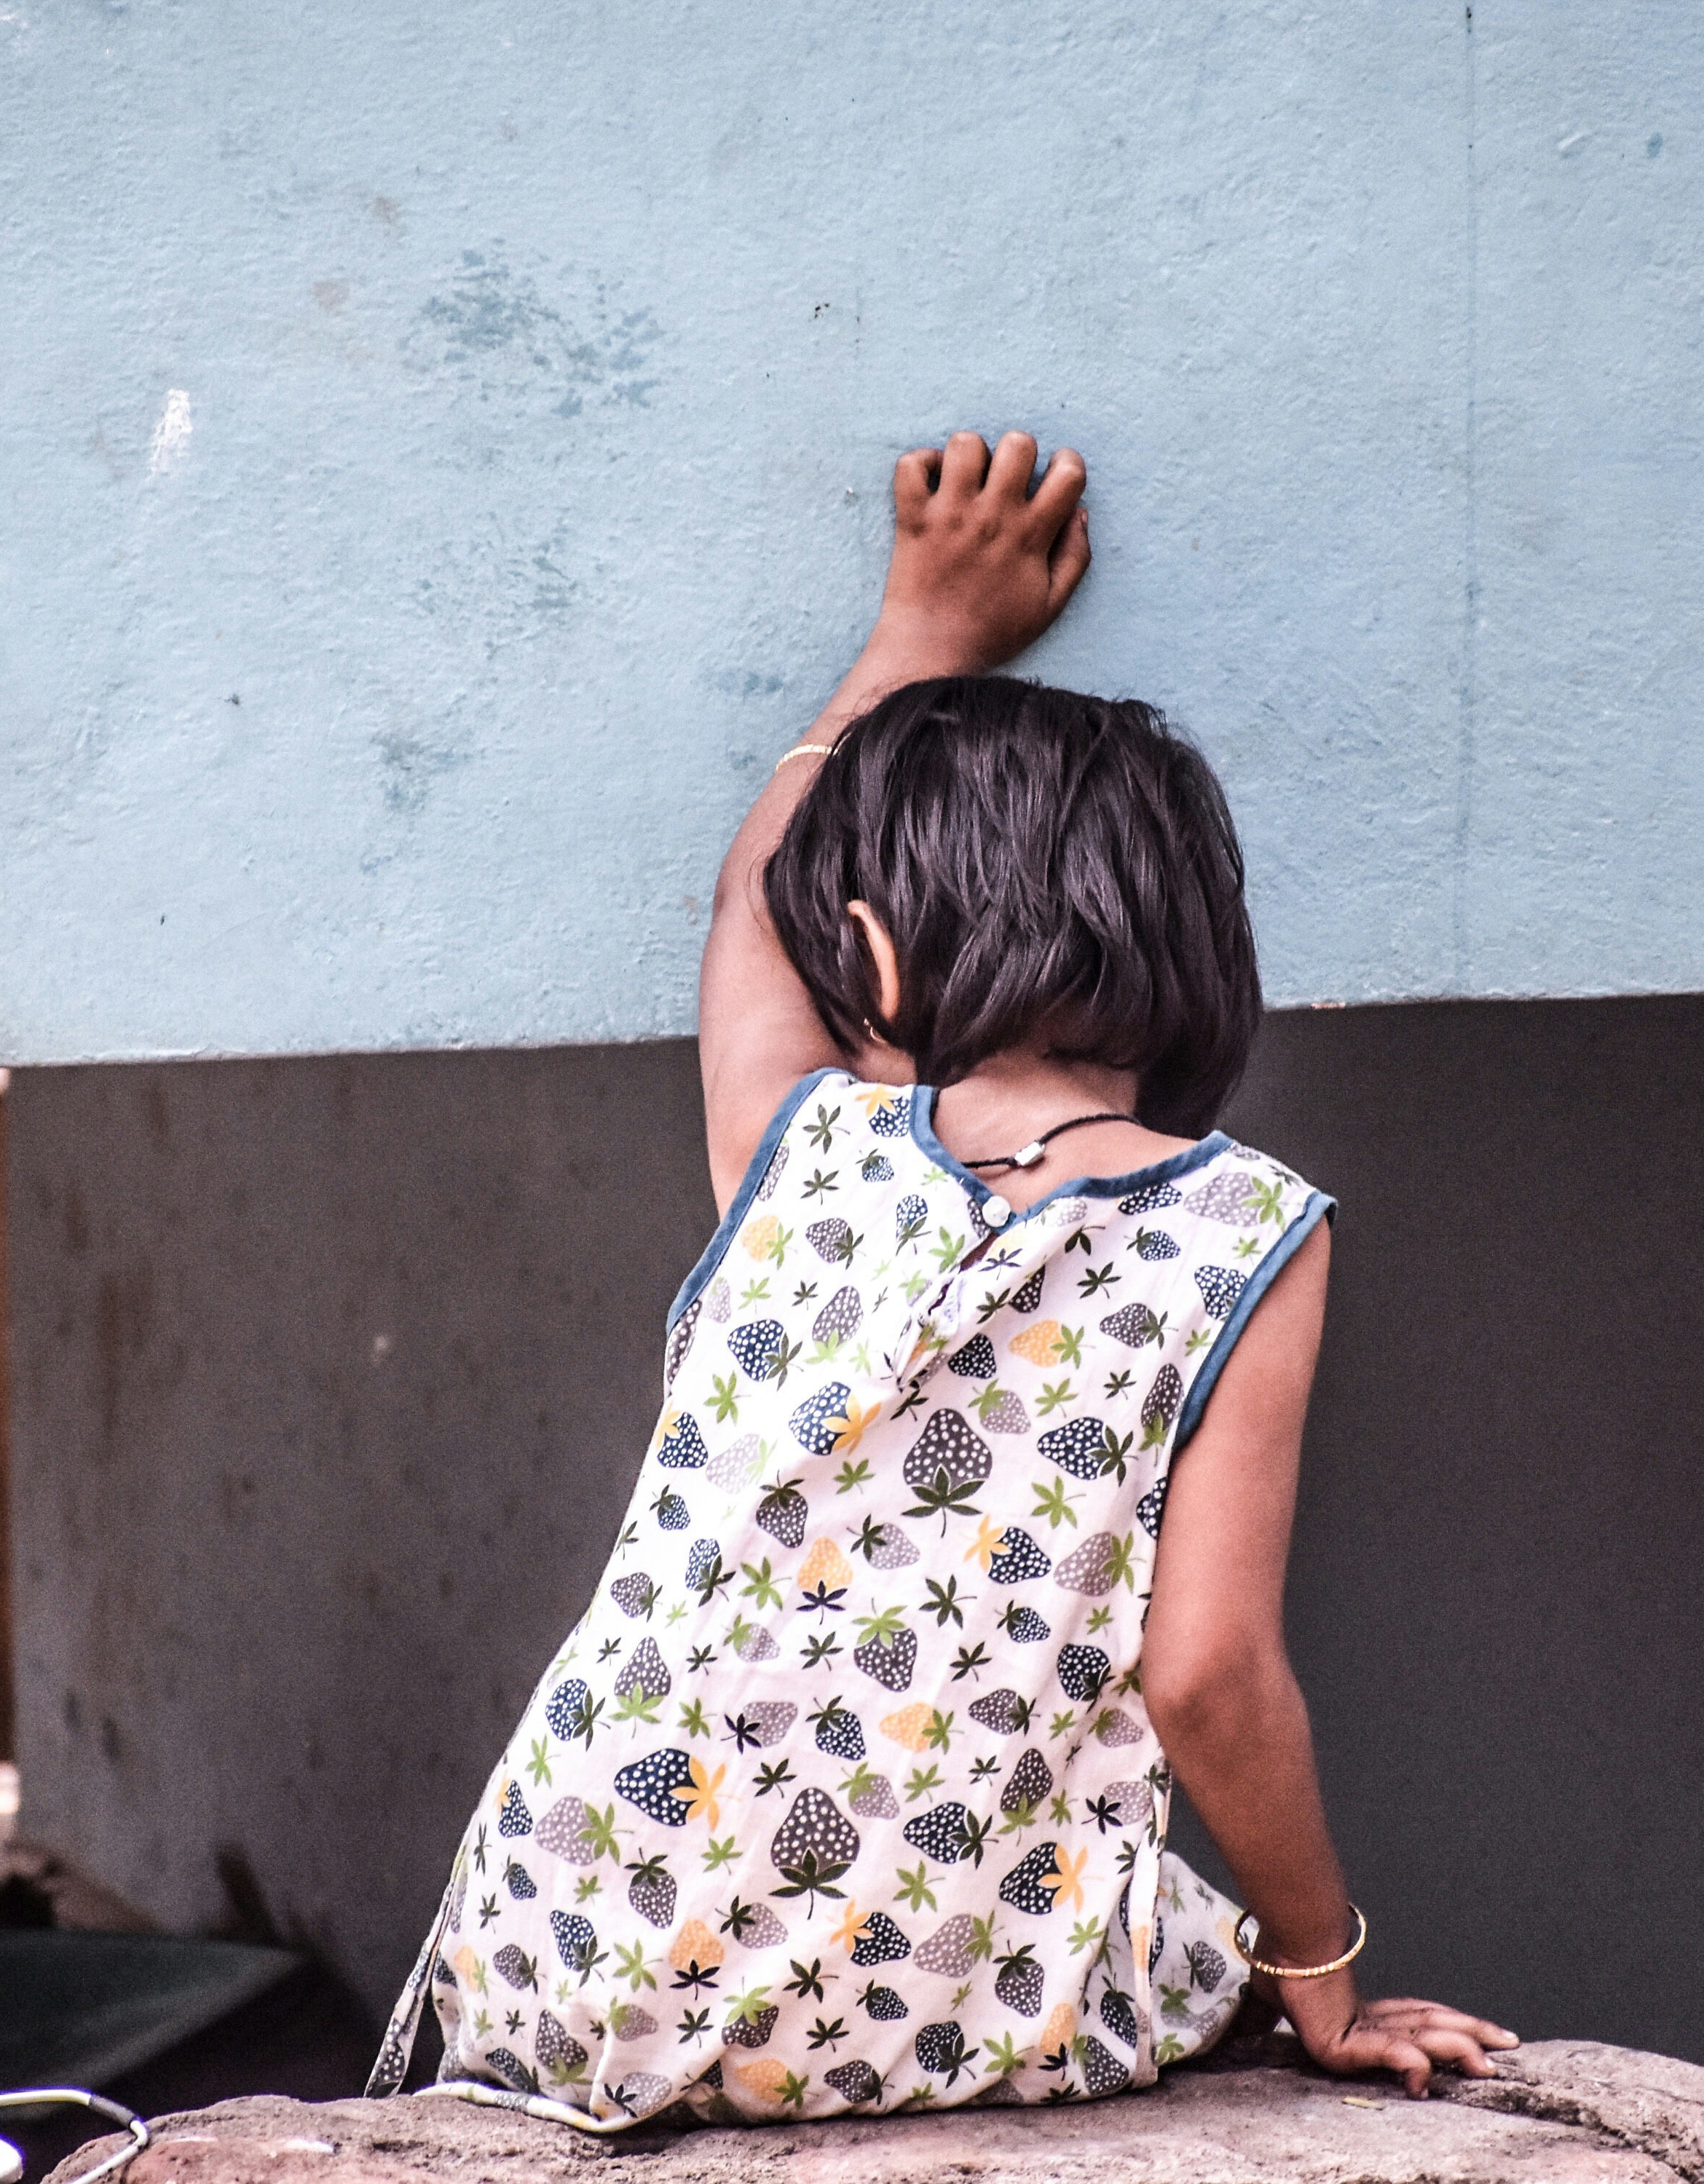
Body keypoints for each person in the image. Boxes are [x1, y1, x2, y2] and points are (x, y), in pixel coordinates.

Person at [369, 431, 1517, 2128]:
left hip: (573, 1974)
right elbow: (1203, 1671)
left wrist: (915, 630)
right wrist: (1316, 1971)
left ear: (876, 957)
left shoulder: (801, 1153)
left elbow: (749, 915)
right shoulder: (1245, 1230)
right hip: (938, 2008)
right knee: (1176, 1935)